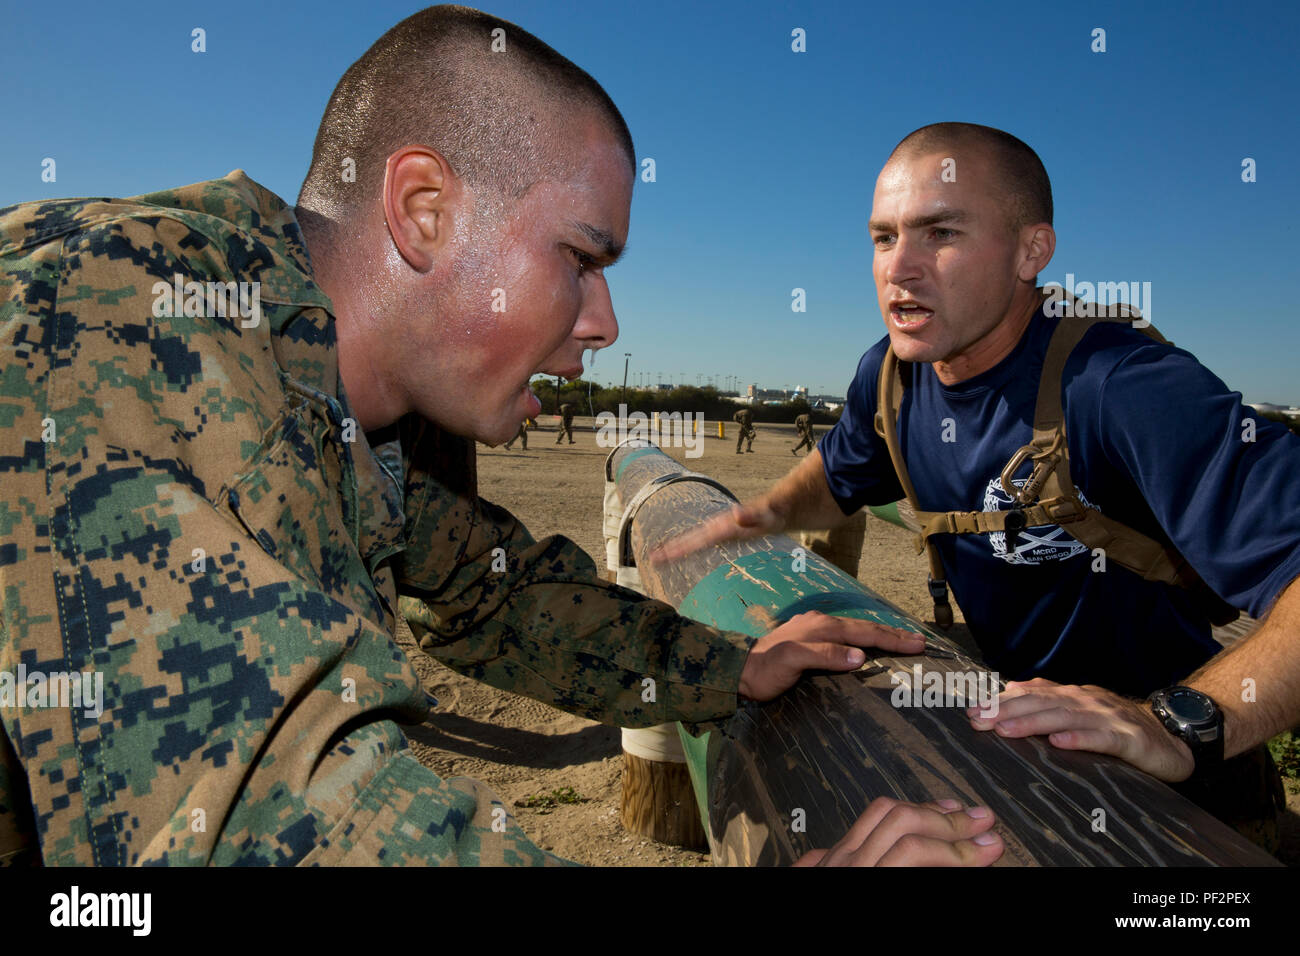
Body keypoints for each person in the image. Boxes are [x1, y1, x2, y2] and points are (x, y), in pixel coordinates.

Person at [0, 7, 1002, 867]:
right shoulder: (117, 321)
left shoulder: (365, 395)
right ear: (425, 212)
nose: (605, 321)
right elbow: (264, 813)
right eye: (580, 255)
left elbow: (489, 594)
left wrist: (725, 664)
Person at [654, 122, 1300, 849]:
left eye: (940, 234)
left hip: (1189, 781)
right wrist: (758, 516)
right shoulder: (893, 378)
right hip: (1027, 748)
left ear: (1032, 252)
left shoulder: (1123, 385)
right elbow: (838, 476)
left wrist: (1173, 722)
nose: (900, 268)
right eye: (883, 237)